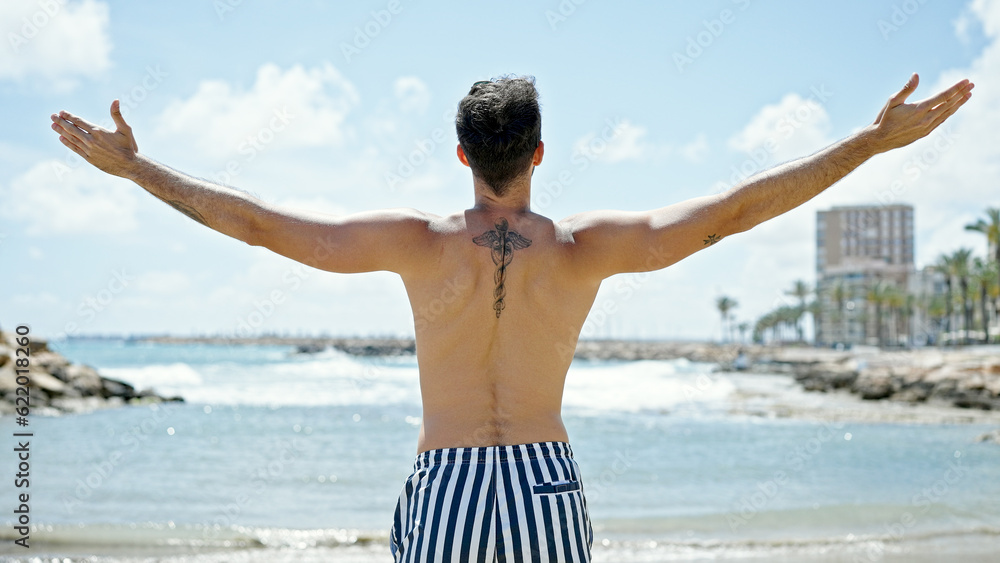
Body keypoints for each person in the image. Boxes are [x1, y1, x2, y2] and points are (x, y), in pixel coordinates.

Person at [50, 72, 973, 562]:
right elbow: (735, 212)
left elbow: (255, 225)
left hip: (445, 483)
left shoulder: (413, 243)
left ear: (459, 153)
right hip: (544, 485)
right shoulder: (583, 250)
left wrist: (138, 169)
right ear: (538, 151)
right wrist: (867, 141)